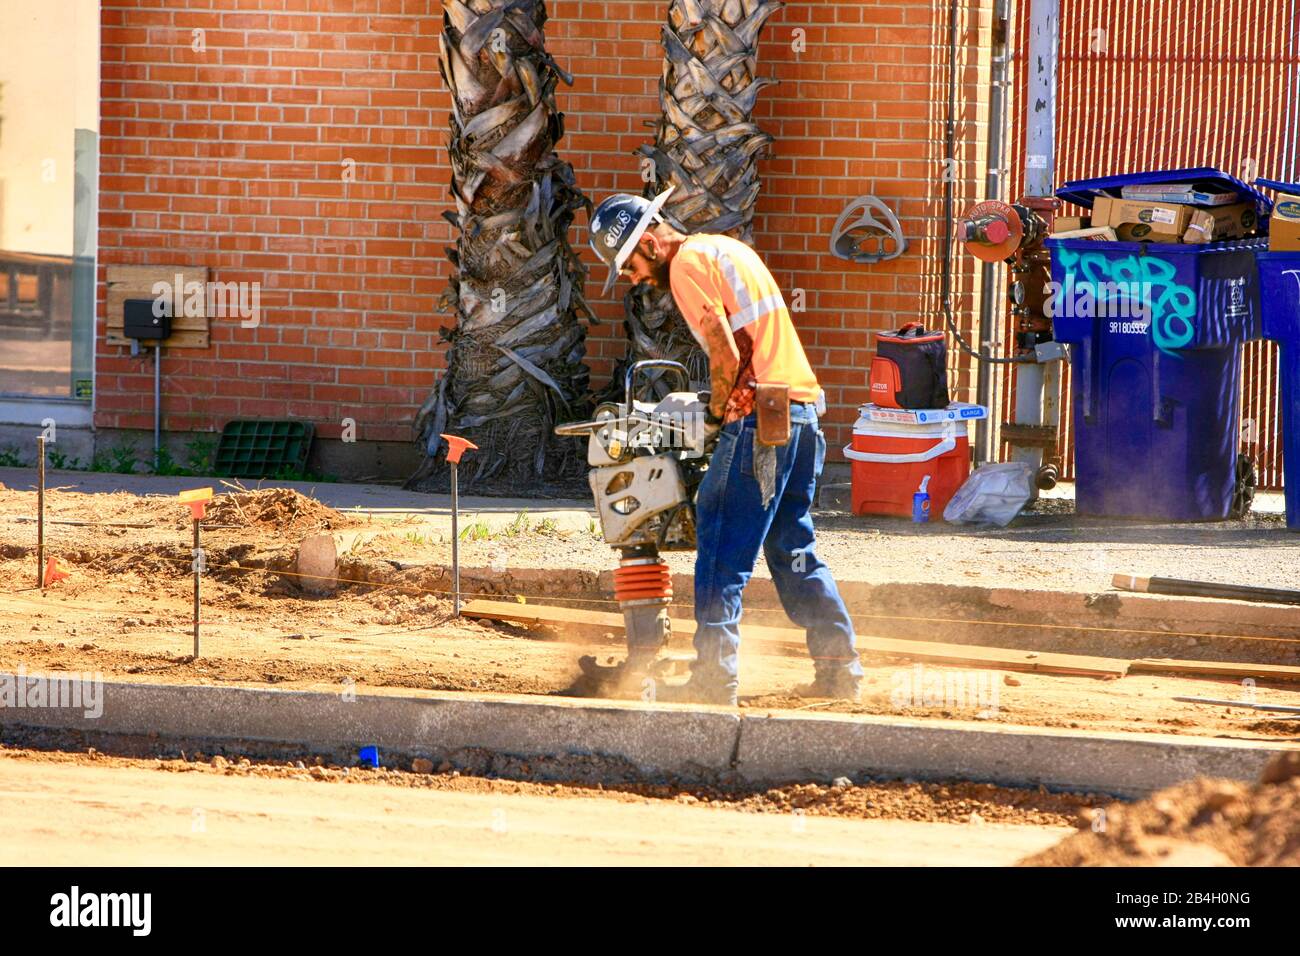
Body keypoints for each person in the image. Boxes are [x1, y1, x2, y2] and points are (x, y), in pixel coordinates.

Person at [589, 187, 863, 705]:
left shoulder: (687, 264)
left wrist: (715, 415)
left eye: (629, 267)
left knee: (720, 550)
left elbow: (722, 347)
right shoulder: (724, 248)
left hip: (758, 421)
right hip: (799, 412)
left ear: (649, 241)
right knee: (793, 548)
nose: (634, 280)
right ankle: (839, 666)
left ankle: (715, 680)